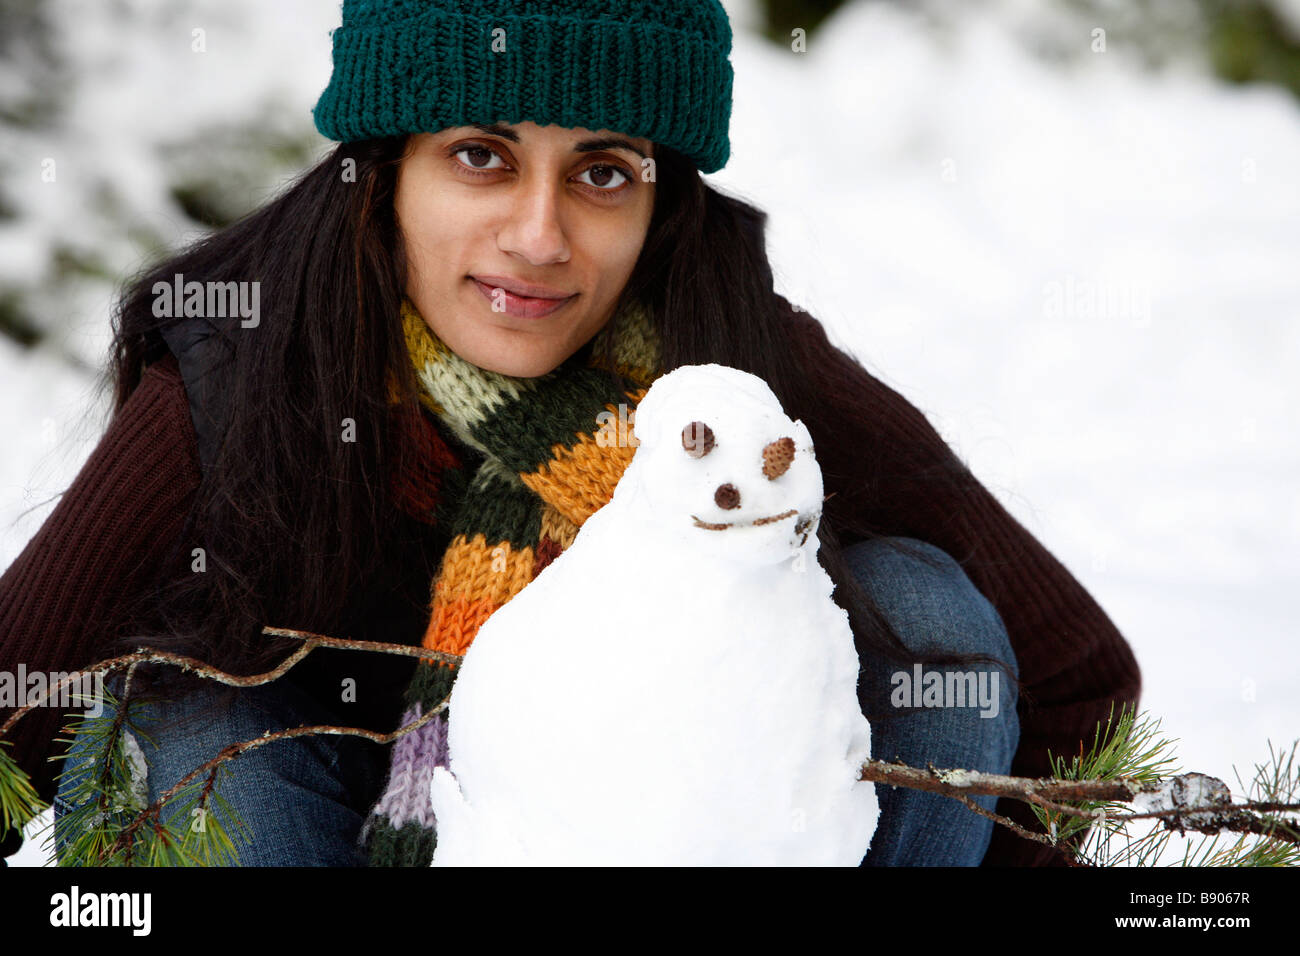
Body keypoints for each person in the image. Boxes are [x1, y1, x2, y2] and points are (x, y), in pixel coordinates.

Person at [0, 0, 1140, 867]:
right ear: (384, 169)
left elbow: (1074, 679)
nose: (538, 237)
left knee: (922, 612)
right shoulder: (245, 372)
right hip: (318, 823)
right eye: (480, 155)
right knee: (189, 715)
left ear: (661, 199)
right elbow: (15, 703)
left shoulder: (737, 380)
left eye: (602, 171)